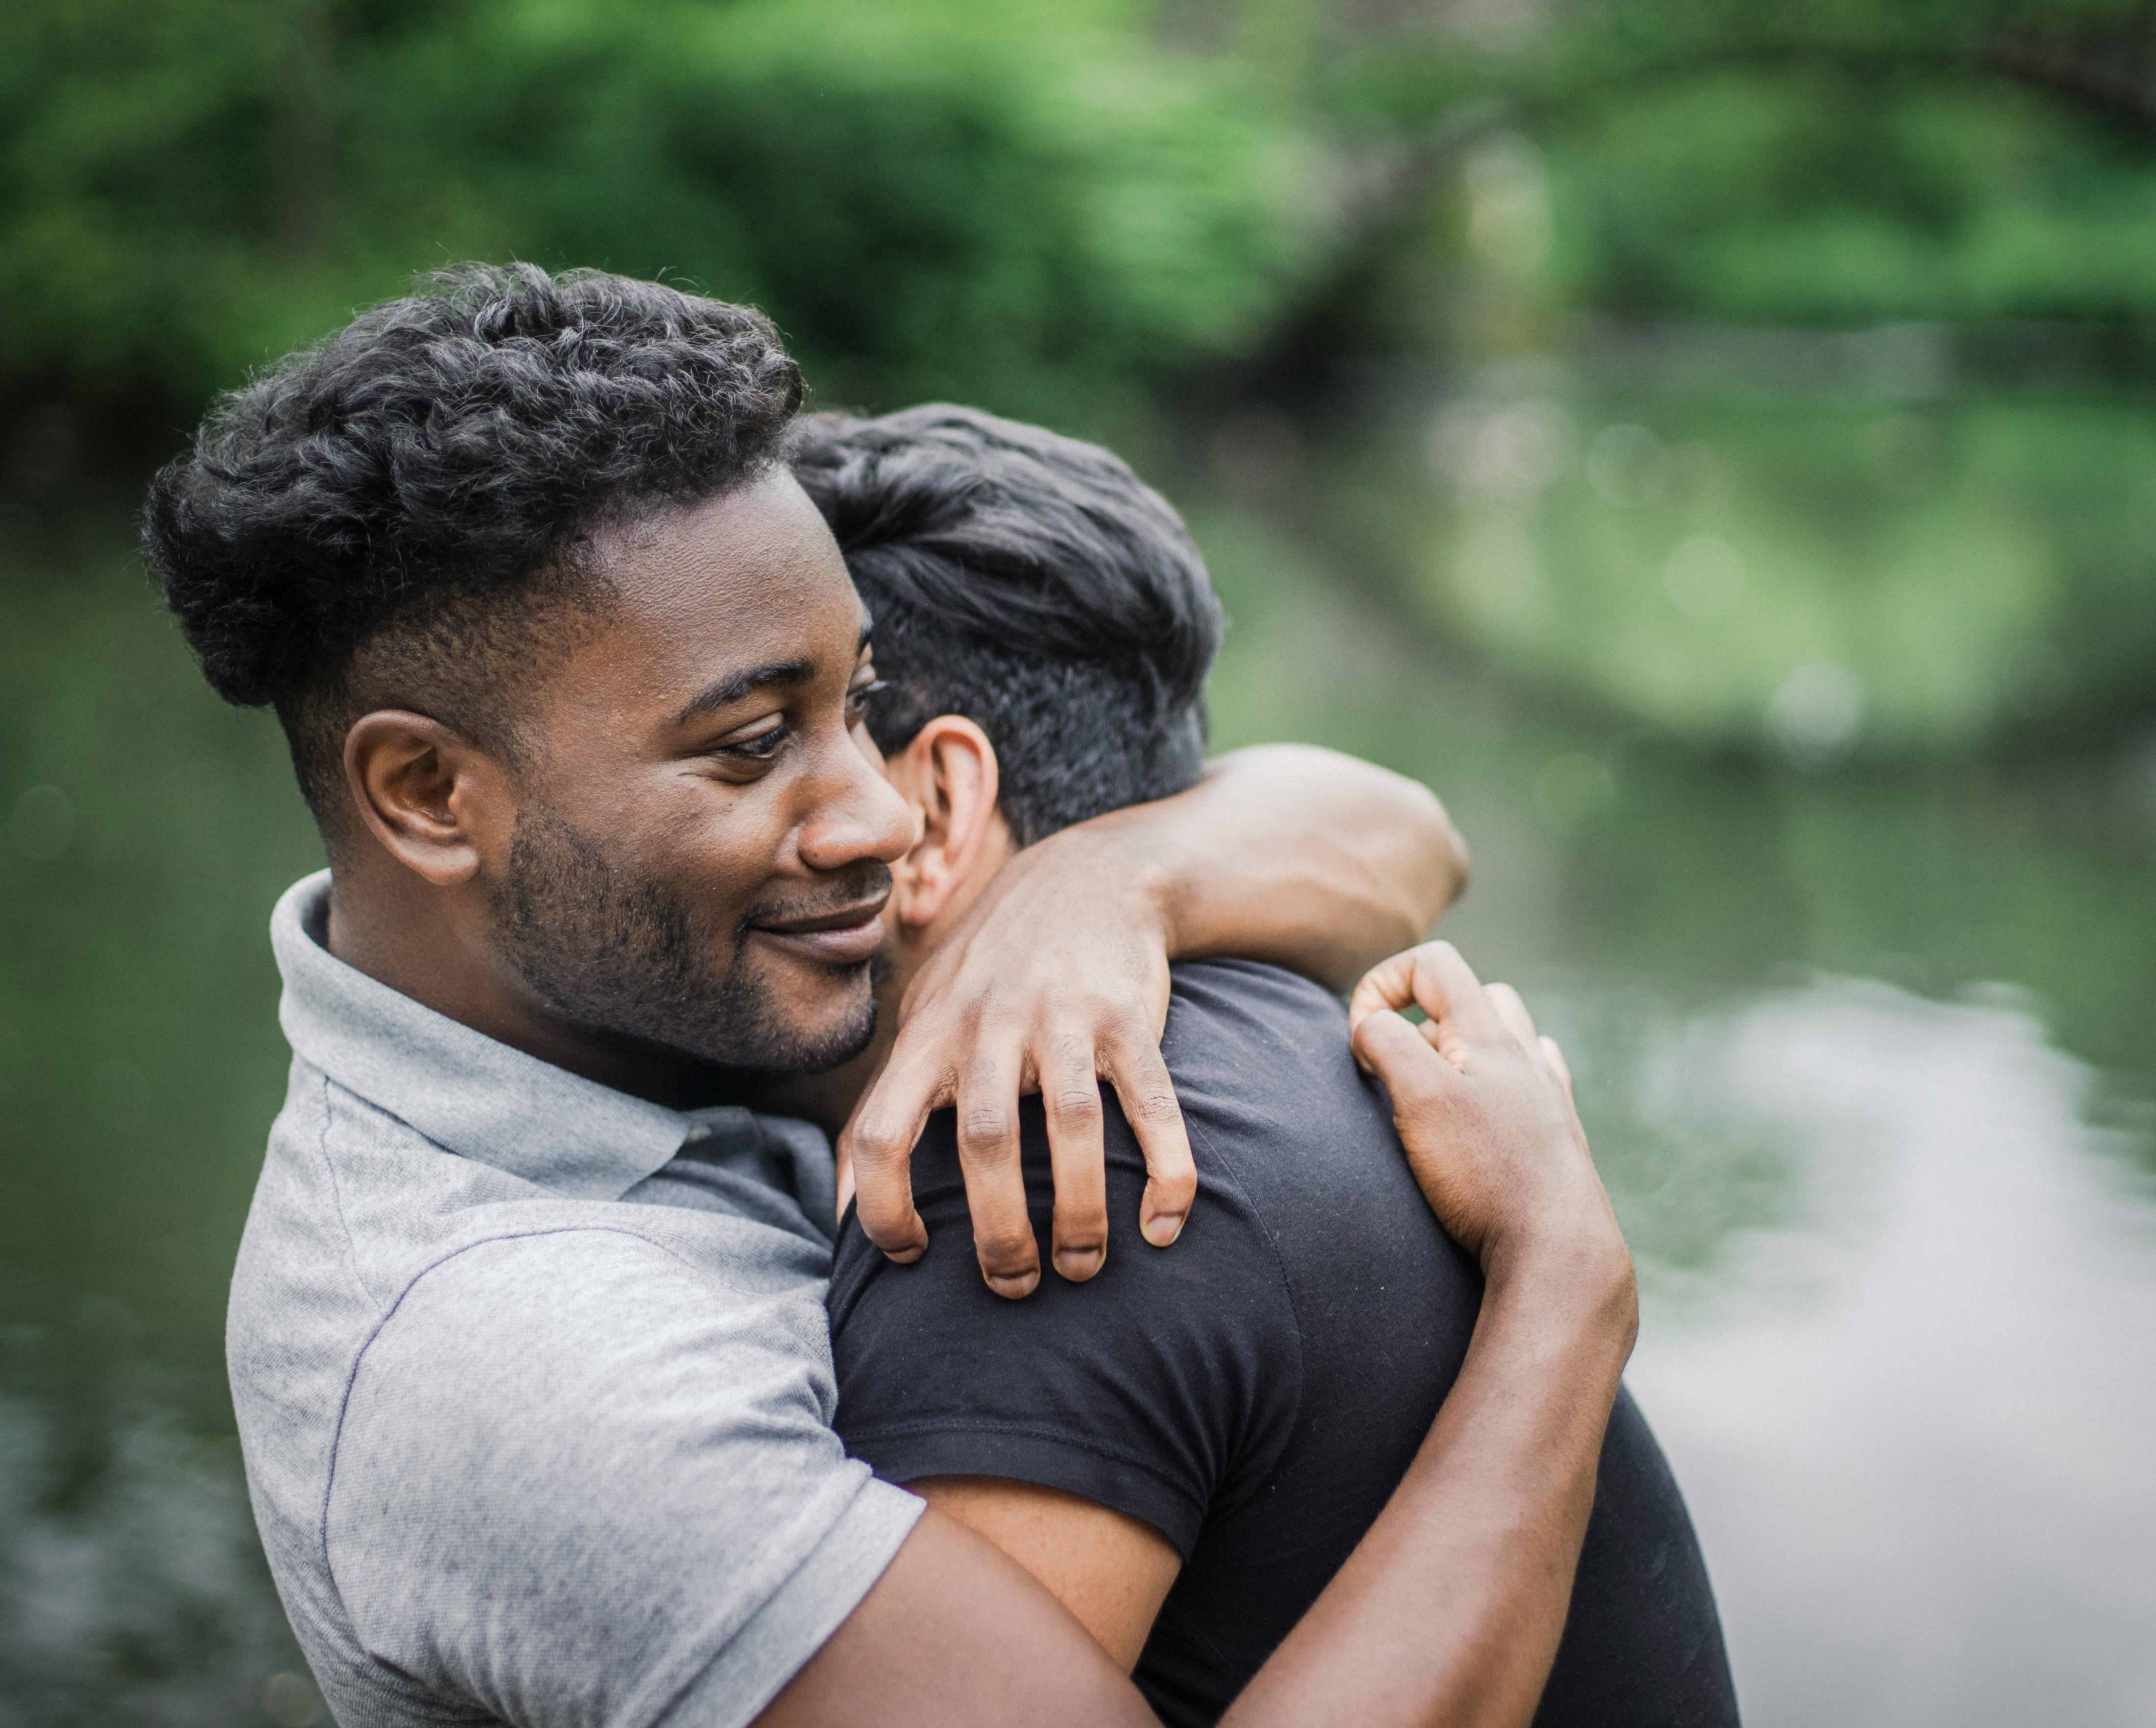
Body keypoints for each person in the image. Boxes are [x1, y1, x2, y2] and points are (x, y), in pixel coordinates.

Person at [147, 262, 1640, 1728]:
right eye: (748, 744)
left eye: (858, 706)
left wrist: (1107, 884)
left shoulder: (640, 1012)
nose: (877, 815)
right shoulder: (526, 1363)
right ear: (427, 793)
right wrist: (1562, 1292)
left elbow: (1400, 829)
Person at [791, 404, 1738, 1728]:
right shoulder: (1260, 1015)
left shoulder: (1052, 1147)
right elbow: (1408, 832)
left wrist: (1574, 1282)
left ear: (937, 807)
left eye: (768, 736)